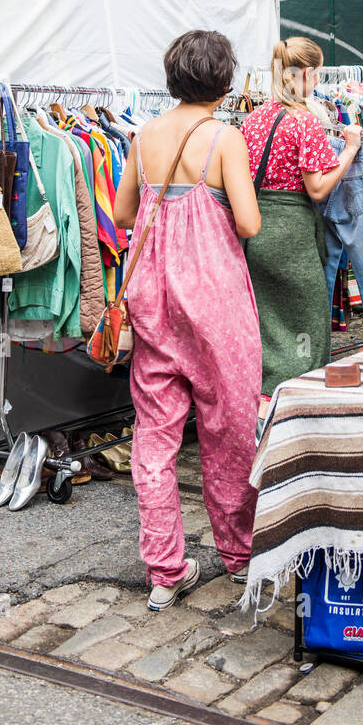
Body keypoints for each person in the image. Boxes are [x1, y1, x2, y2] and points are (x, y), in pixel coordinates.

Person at [114, 30, 262, 613]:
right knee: (228, 431)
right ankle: (239, 553)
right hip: (216, 303)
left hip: (154, 301)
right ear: (225, 81)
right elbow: (248, 223)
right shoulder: (224, 138)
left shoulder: (145, 134)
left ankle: (164, 570)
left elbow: (125, 212)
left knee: (154, 438)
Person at [242, 37, 361, 415]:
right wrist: (349, 151)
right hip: (292, 233)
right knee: (307, 319)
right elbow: (318, 188)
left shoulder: (253, 119)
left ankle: (264, 397)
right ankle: (299, 406)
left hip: (256, 230)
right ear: (307, 73)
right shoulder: (305, 121)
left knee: (267, 319)